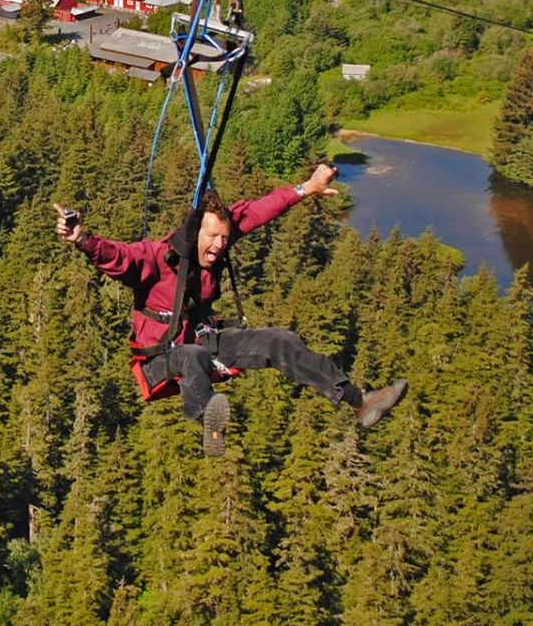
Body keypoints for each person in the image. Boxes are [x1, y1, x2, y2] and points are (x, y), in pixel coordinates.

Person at [54, 161, 406, 455]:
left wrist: (306, 188)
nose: (220, 246)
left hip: (204, 345)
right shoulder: (155, 258)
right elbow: (117, 257)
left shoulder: (219, 239)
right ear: (194, 235)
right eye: (212, 238)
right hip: (160, 359)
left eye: (225, 239)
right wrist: (82, 239)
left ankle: (360, 400)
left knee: (278, 340)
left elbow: (256, 211)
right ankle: (209, 420)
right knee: (190, 355)